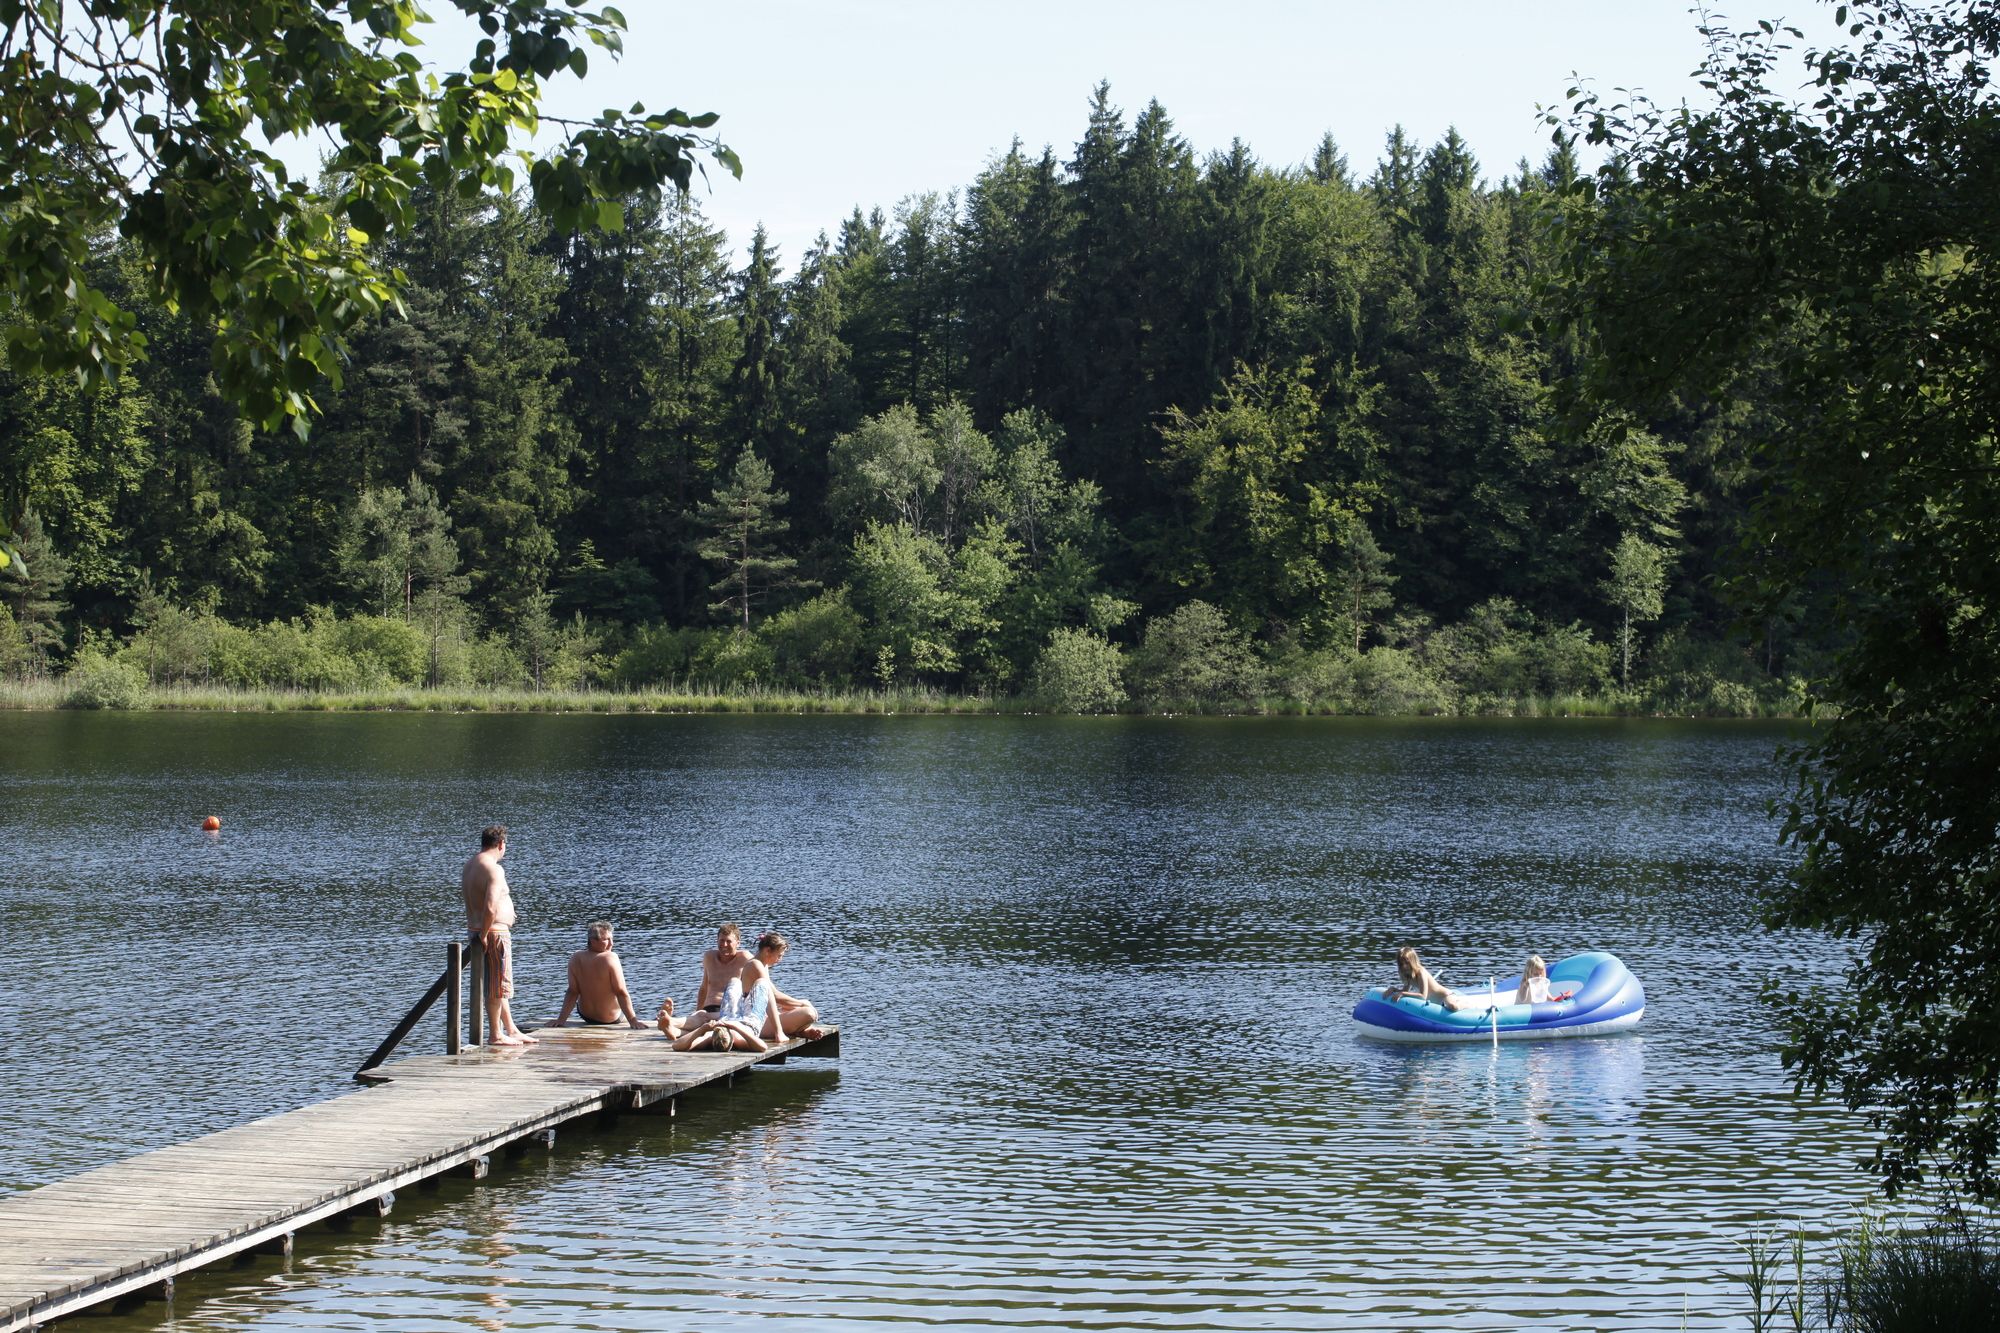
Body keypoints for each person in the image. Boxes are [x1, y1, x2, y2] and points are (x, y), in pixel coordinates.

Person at [462, 824, 537, 1046]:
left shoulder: (470, 865)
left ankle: (510, 1029)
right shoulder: (494, 869)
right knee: (498, 985)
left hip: (477, 929)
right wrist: (485, 934)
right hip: (493, 933)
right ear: (501, 844)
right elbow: (491, 906)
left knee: (497, 984)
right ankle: (496, 1034)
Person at [657, 923, 750, 1042]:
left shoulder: (745, 958)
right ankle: (672, 1030)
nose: (724, 945)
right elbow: (704, 987)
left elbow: (760, 981)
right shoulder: (709, 957)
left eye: (728, 941)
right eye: (721, 941)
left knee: (701, 1018)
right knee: (700, 1019)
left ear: (738, 942)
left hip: (730, 1011)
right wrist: (697, 1010)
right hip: (708, 1009)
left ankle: (670, 1021)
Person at [552, 921, 645, 1028]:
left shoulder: (575, 957)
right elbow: (620, 991)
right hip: (611, 1018)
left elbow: (573, 991)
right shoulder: (610, 957)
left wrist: (561, 1020)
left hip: (586, 1016)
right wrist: (633, 1021)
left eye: (611, 939)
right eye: (606, 940)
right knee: (634, 1007)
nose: (611, 943)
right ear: (592, 941)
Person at [748, 931, 827, 1040]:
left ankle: (800, 1031)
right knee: (809, 1013)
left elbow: (774, 998)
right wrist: (802, 1004)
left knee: (804, 1006)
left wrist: (801, 1004)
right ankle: (799, 1031)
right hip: (756, 1023)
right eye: (779, 955)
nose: (780, 960)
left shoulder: (762, 964)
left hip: (766, 1017)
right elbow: (775, 996)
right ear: (767, 951)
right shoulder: (755, 965)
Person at [1383, 946, 1463, 1011]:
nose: (1404, 966)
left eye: (1407, 963)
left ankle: (1465, 1004)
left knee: (1453, 1007)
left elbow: (1423, 996)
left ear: (1412, 961)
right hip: (1435, 1002)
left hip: (1445, 996)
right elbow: (1405, 991)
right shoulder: (1405, 973)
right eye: (1401, 963)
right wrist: (1393, 989)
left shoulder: (1420, 972)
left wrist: (1402, 994)